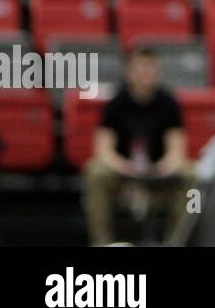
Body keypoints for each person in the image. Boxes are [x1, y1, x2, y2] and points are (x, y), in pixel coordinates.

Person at [82, 49, 196, 246]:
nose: (145, 73)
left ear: (158, 72)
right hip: (123, 173)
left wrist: (162, 167)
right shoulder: (116, 104)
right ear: (129, 72)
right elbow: (103, 148)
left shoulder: (169, 103)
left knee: (192, 176)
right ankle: (102, 242)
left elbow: (177, 148)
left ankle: (180, 240)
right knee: (94, 172)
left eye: (150, 68)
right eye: (140, 68)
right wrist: (126, 168)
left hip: (160, 173)